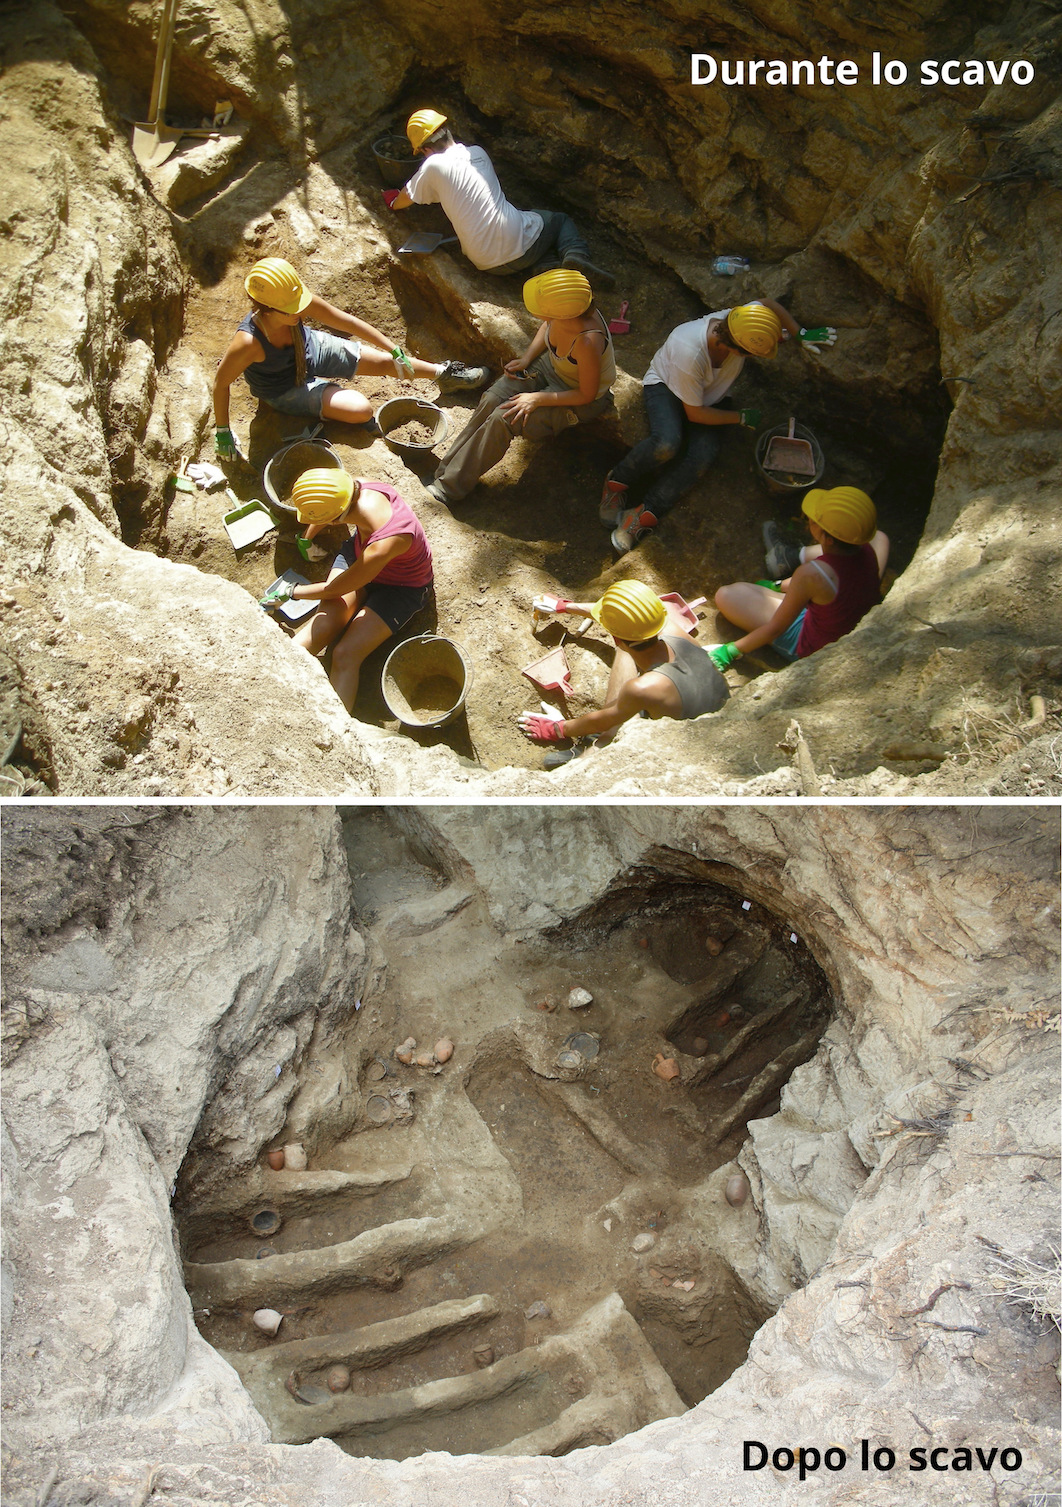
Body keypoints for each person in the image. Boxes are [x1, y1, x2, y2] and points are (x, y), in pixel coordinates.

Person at [600, 299, 838, 553]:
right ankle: (618, 481)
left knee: (702, 457)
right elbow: (696, 414)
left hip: (711, 395)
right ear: (738, 349)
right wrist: (740, 418)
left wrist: (799, 333)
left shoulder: (739, 321)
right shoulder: (688, 351)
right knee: (667, 443)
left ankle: (643, 513)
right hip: (667, 386)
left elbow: (768, 304)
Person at [212, 257, 488, 457]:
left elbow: (347, 323)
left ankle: (444, 374)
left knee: (384, 363)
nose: (301, 310)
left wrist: (392, 348)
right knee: (361, 410)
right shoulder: (247, 343)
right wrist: (222, 430)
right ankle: (324, 399)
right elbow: (221, 383)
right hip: (284, 389)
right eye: (292, 309)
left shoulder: (294, 303)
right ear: (268, 308)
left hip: (308, 348)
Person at [427, 270, 616, 504]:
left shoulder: (588, 341)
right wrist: (527, 359)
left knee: (504, 418)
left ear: (564, 314)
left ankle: (450, 488)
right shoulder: (566, 313)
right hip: (554, 368)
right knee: (492, 398)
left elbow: (586, 394)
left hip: (578, 397)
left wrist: (536, 398)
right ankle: (446, 471)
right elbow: (548, 327)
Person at [260, 468, 433, 713]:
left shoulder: (387, 542)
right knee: (322, 628)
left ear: (335, 518)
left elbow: (333, 590)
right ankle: (267, 681)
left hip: (402, 588)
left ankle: (339, 732)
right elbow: (328, 508)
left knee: (345, 655)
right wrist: (307, 538)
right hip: (360, 554)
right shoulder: (354, 487)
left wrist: (293, 591)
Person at [388, 110, 614, 288]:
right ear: (447, 131)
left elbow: (406, 197)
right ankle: (575, 254)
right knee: (558, 220)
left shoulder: (432, 166)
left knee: (533, 226)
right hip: (518, 248)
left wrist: (392, 203)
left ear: (426, 149)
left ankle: (548, 267)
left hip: (485, 263)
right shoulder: (478, 153)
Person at [518, 580, 729, 768]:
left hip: (686, 745)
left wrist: (557, 728)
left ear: (616, 636)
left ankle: (586, 751)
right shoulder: (671, 629)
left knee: (604, 743)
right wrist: (565, 607)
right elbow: (626, 624)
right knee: (626, 651)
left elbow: (604, 721)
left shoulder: (643, 688)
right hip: (705, 702)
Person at [709, 487, 889, 672]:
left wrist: (730, 651)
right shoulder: (864, 546)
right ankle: (790, 557)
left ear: (829, 539)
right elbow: (805, 583)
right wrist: (776, 586)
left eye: (816, 520)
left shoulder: (813, 574)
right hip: (846, 613)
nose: (810, 519)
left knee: (726, 595)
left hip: (816, 644)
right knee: (880, 537)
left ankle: (788, 559)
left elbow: (775, 629)